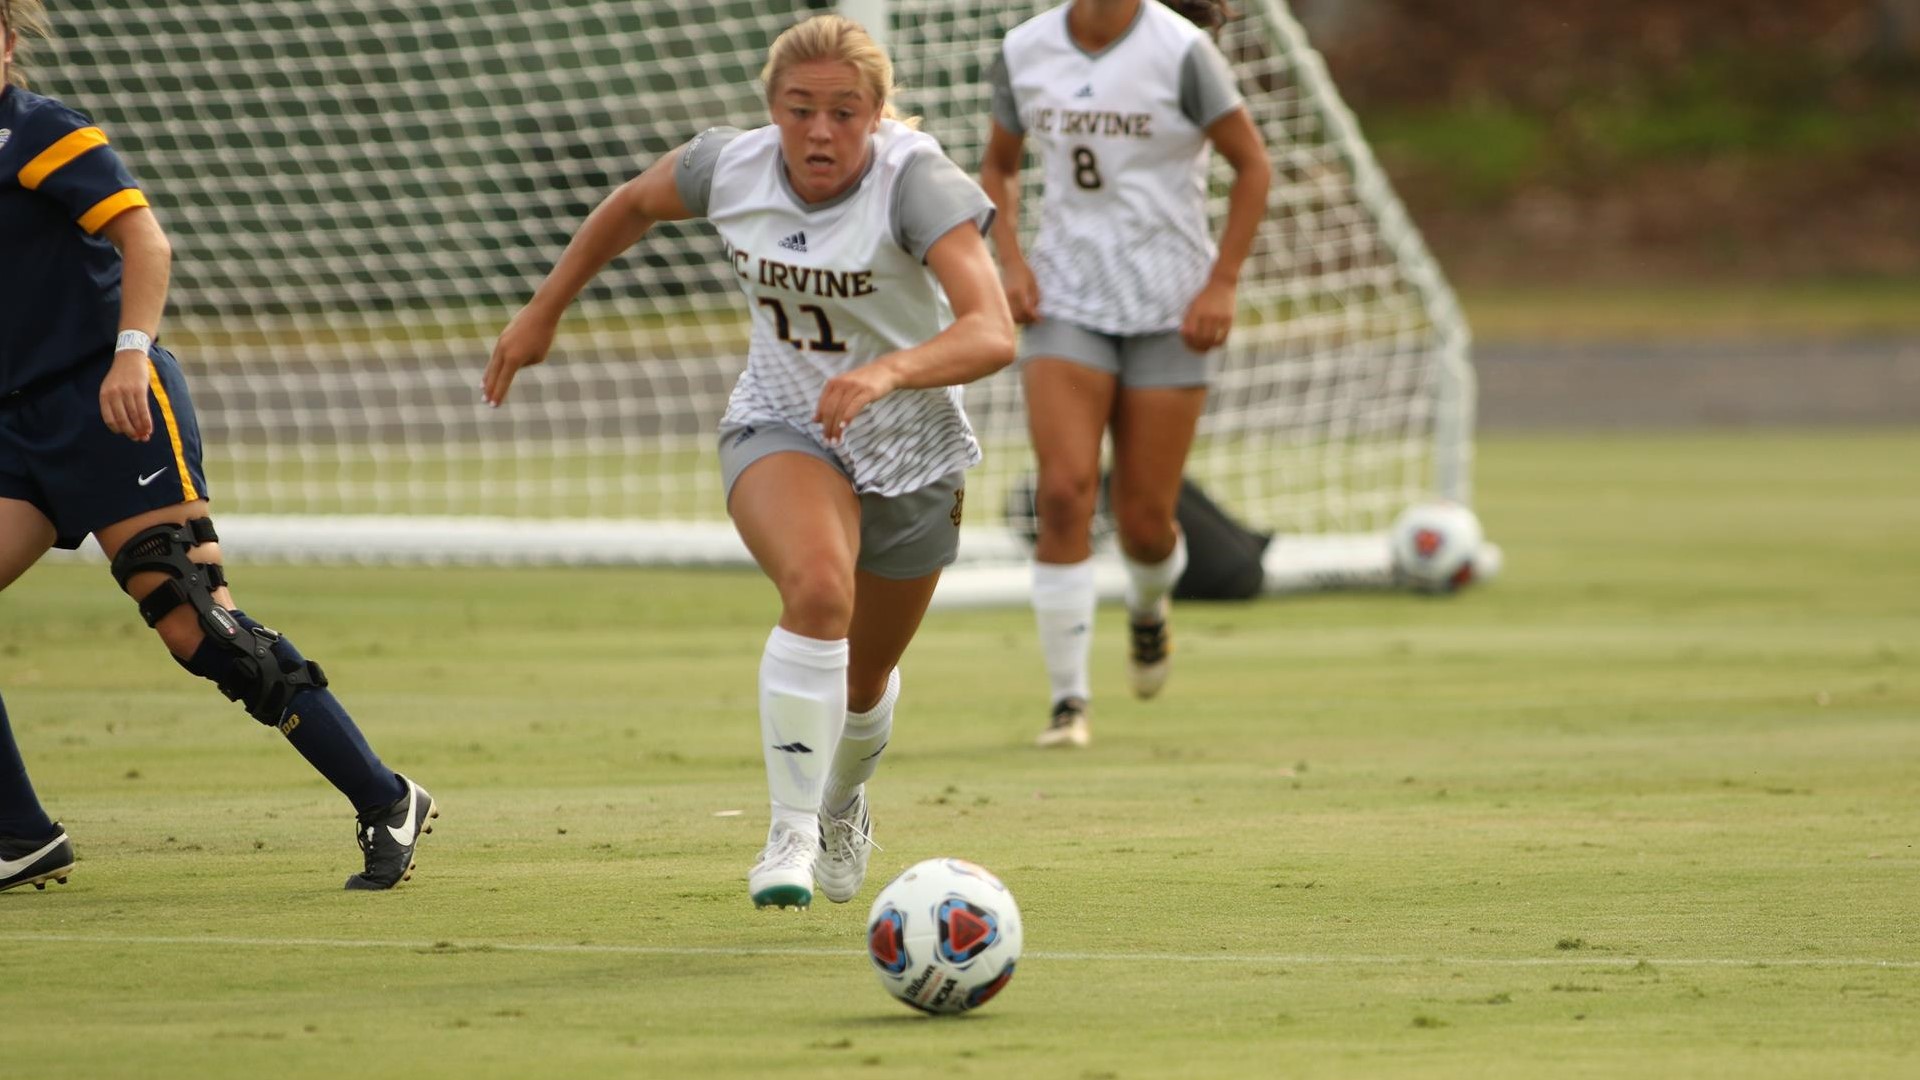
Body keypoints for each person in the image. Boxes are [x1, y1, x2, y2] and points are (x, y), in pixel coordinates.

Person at [485, 15, 1014, 909]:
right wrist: (542, 313)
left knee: (865, 678)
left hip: (913, 451)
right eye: (799, 109)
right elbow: (631, 204)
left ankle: (842, 803)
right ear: (771, 108)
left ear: (878, 115)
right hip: (784, 423)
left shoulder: (915, 184)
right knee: (816, 590)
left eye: (844, 112)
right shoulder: (726, 165)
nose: (819, 131)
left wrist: (888, 371)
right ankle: (789, 831)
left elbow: (993, 331)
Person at [0, 0, 436, 894]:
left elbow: (144, 240)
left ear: (7, 43)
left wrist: (129, 353)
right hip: (18, 423)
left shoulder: (40, 132)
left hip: (113, 400)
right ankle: (21, 836)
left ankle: (386, 798)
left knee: (197, 624)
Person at [980, 0, 1271, 748]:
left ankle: (1149, 609)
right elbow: (1000, 167)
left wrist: (1222, 283)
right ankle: (1068, 703)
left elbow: (1253, 167)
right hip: (1066, 301)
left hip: (1171, 308)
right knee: (1065, 490)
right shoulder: (1024, 49)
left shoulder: (1181, 51)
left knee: (1146, 525)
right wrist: (1009, 263)